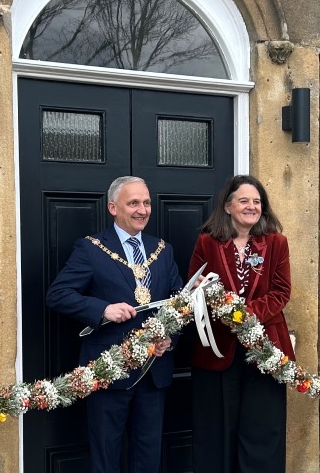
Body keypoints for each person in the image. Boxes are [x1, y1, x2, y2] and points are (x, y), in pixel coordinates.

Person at [46, 175, 184, 473]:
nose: (142, 210)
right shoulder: (91, 248)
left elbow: (178, 301)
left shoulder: (163, 249)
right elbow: (57, 295)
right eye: (133, 203)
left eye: (146, 203)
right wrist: (103, 309)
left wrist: (170, 338)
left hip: (153, 373)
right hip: (109, 368)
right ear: (113, 208)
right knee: (106, 456)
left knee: (148, 456)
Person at [189, 174, 293, 473]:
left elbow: (281, 291)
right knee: (215, 432)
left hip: (265, 350)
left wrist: (245, 315)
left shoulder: (276, 243)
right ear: (228, 206)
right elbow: (195, 288)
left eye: (257, 202)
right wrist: (225, 313)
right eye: (244, 200)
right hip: (217, 351)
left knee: (263, 430)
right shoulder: (207, 243)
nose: (251, 207)